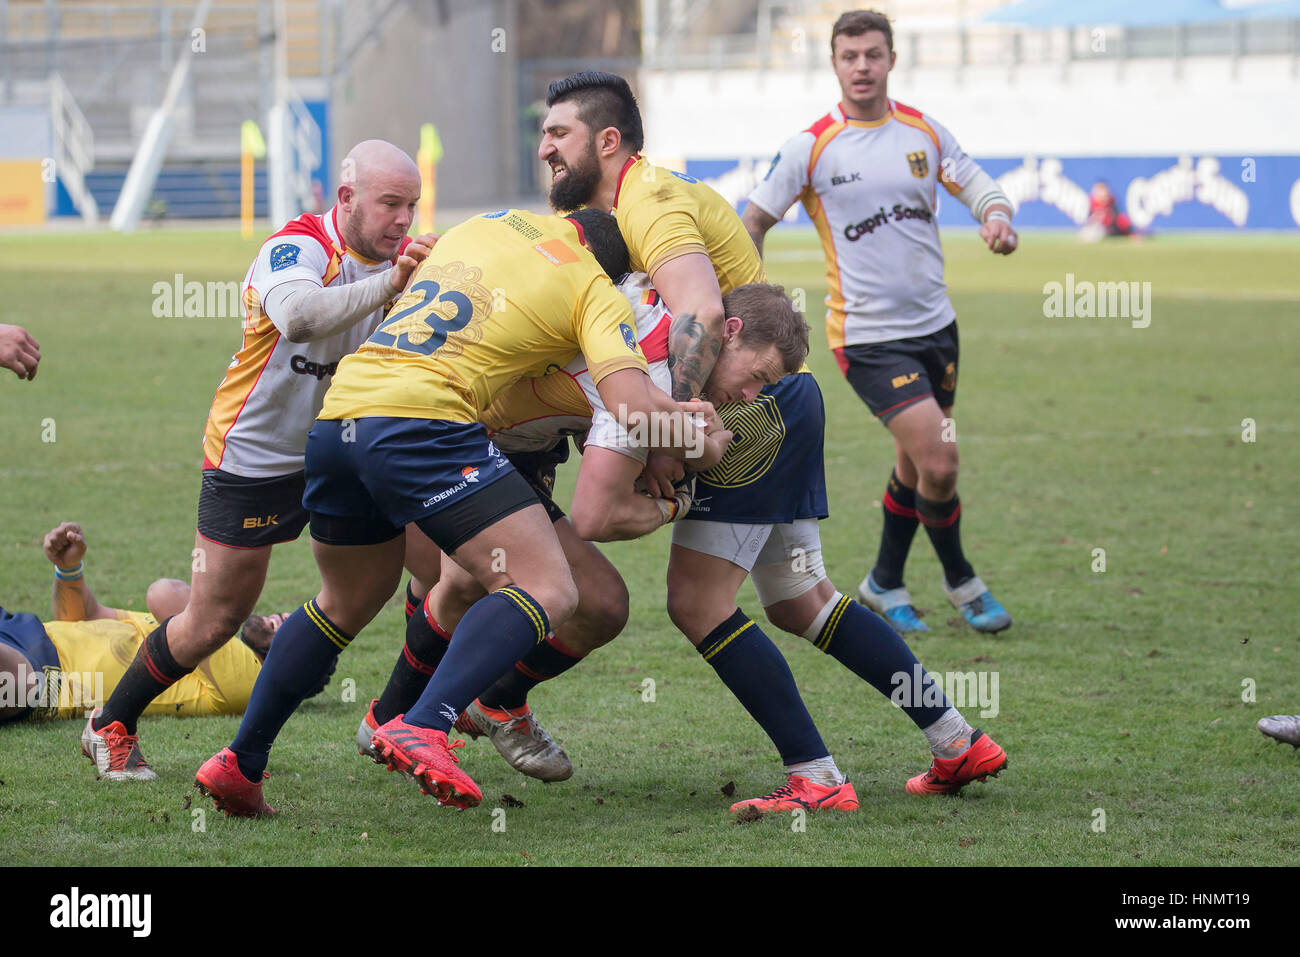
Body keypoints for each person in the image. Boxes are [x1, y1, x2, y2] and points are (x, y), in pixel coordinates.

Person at [538, 70, 1007, 813]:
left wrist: (670, 432)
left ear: (607, 140)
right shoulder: (633, 198)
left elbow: (697, 312)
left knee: (698, 603)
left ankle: (817, 779)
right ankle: (955, 739)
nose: (545, 150)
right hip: (777, 395)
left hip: (744, 402)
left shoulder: (646, 197)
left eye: (557, 134)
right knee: (800, 598)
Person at [193, 206, 729, 817]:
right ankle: (425, 723)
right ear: (619, 269)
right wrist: (708, 438)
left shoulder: (480, 227)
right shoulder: (594, 288)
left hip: (341, 416)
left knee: (344, 601)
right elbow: (634, 409)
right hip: (423, 424)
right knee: (549, 587)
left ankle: (240, 763)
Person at [79, 141, 437, 782]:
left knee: (441, 568)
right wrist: (393, 283)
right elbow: (299, 317)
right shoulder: (296, 249)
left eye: (412, 205)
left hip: (347, 448)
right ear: (346, 199)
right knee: (213, 620)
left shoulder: (401, 263)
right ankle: (111, 723)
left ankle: (397, 718)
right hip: (255, 456)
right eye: (391, 204)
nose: (404, 219)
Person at [359, 275, 804, 783]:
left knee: (489, 587)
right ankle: (413, 719)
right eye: (759, 375)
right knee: (568, 597)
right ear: (730, 330)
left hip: (480, 436)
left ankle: (431, 713)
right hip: (457, 438)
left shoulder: (661, 341)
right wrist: (678, 502)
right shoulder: (652, 370)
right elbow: (597, 516)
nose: (751, 395)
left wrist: (666, 444)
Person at [741, 9, 1016, 636]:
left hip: (937, 328)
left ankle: (883, 581)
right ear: (834, 63)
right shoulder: (811, 146)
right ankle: (963, 581)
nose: (861, 66)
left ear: (891, 58)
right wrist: (752, 298)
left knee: (916, 465)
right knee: (941, 464)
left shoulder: (922, 132)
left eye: (872, 54)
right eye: (848, 56)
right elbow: (753, 219)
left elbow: (978, 183)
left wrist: (995, 215)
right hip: (866, 336)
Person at [1, 523, 311, 766]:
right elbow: (86, 619)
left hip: (41, 678)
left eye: (290, 624)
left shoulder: (248, 678)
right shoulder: (199, 630)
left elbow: (163, 592)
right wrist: (69, 570)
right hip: (25, 630)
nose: (281, 615)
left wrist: (216, 603)